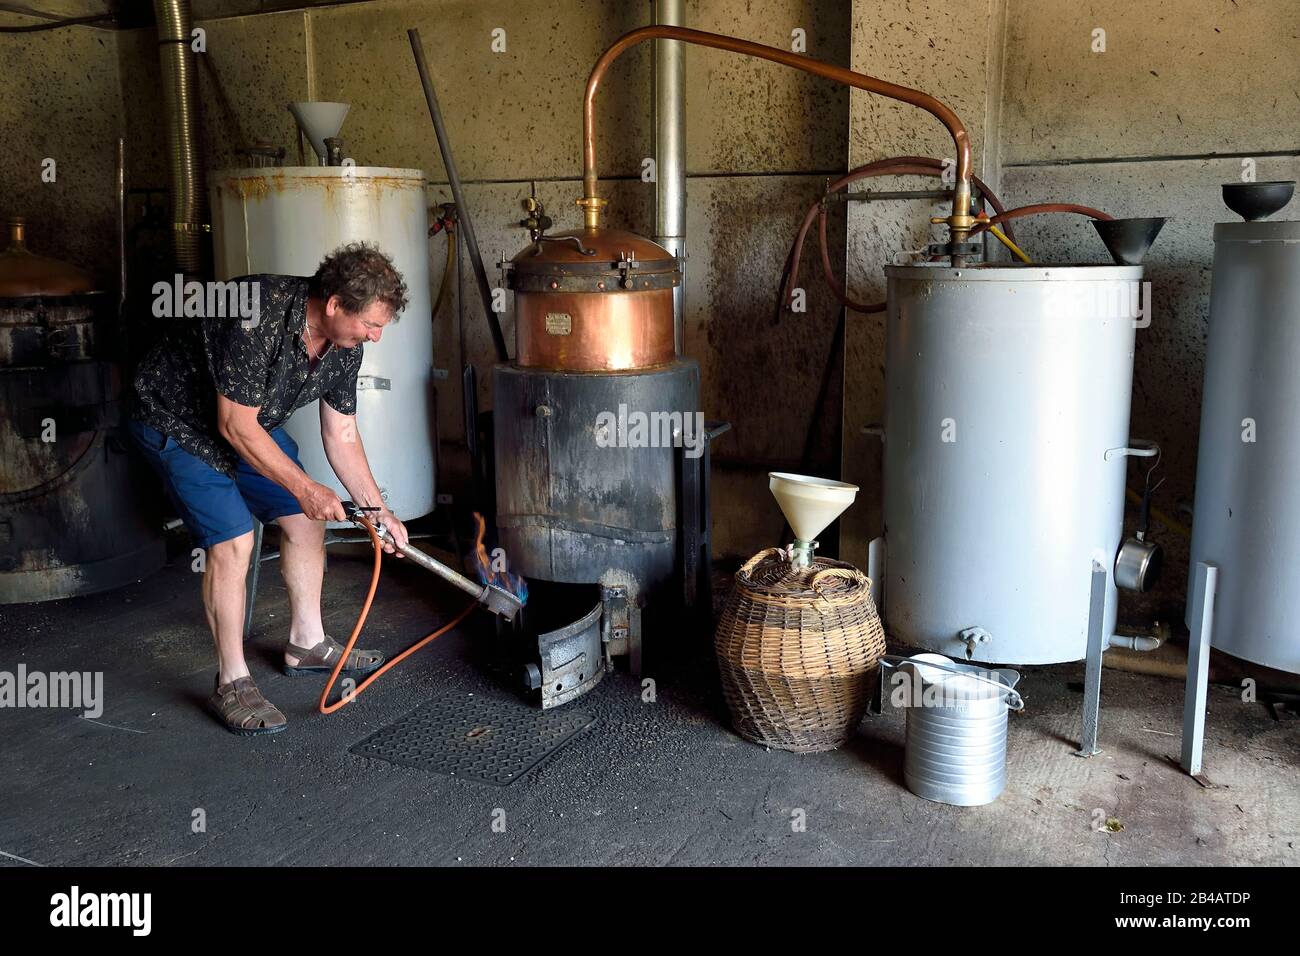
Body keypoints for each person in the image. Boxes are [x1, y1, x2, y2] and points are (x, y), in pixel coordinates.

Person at [129, 242, 412, 735]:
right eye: (370, 323)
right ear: (333, 305)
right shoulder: (256, 310)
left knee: (304, 521)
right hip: (179, 420)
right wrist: (305, 486)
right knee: (234, 542)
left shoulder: (346, 346)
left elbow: (341, 433)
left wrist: (377, 510)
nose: (375, 336)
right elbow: (234, 426)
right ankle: (232, 681)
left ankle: (306, 643)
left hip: (248, 422)